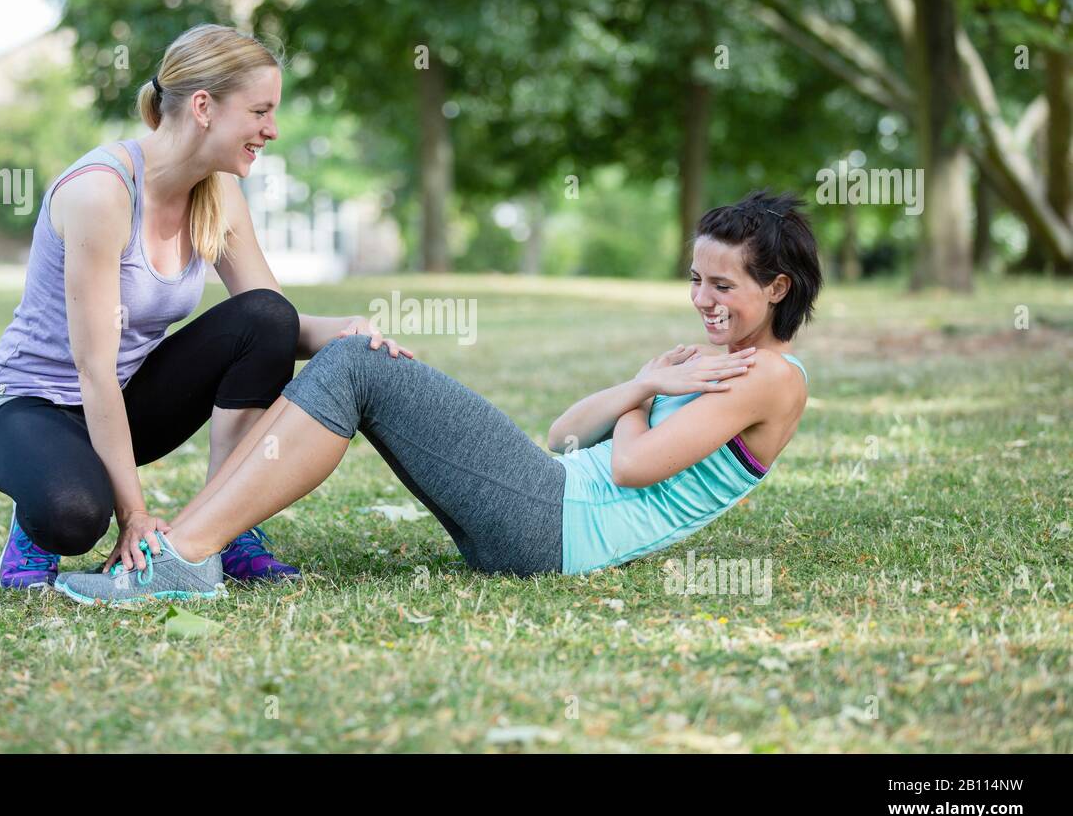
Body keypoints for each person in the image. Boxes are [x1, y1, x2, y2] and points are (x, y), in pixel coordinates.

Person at [53, 189, 822, 605]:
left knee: (357, 363)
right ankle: (186, 548)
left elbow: (631, 468)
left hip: (557, 527)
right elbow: (561, 433)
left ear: (777, 288)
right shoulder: (717, 363)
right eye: (695, 279)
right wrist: (642, 385)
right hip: (548, 499)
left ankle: (182, 555)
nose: (702, 299)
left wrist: (644, 393)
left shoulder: (769, 379)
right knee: (352, 365)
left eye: (722, 285)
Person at [0, 24, 413, 591]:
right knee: (75, 515)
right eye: (260, 112)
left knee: (264, 316)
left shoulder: (218, 189)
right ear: (203, 106)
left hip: (126, 403)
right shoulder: (101, 192)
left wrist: (347, 332)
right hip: (31, 406)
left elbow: (271, 322)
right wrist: (133, 515)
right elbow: (92, 370)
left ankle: (225, 531)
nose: (271, 130)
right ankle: (37, 517)